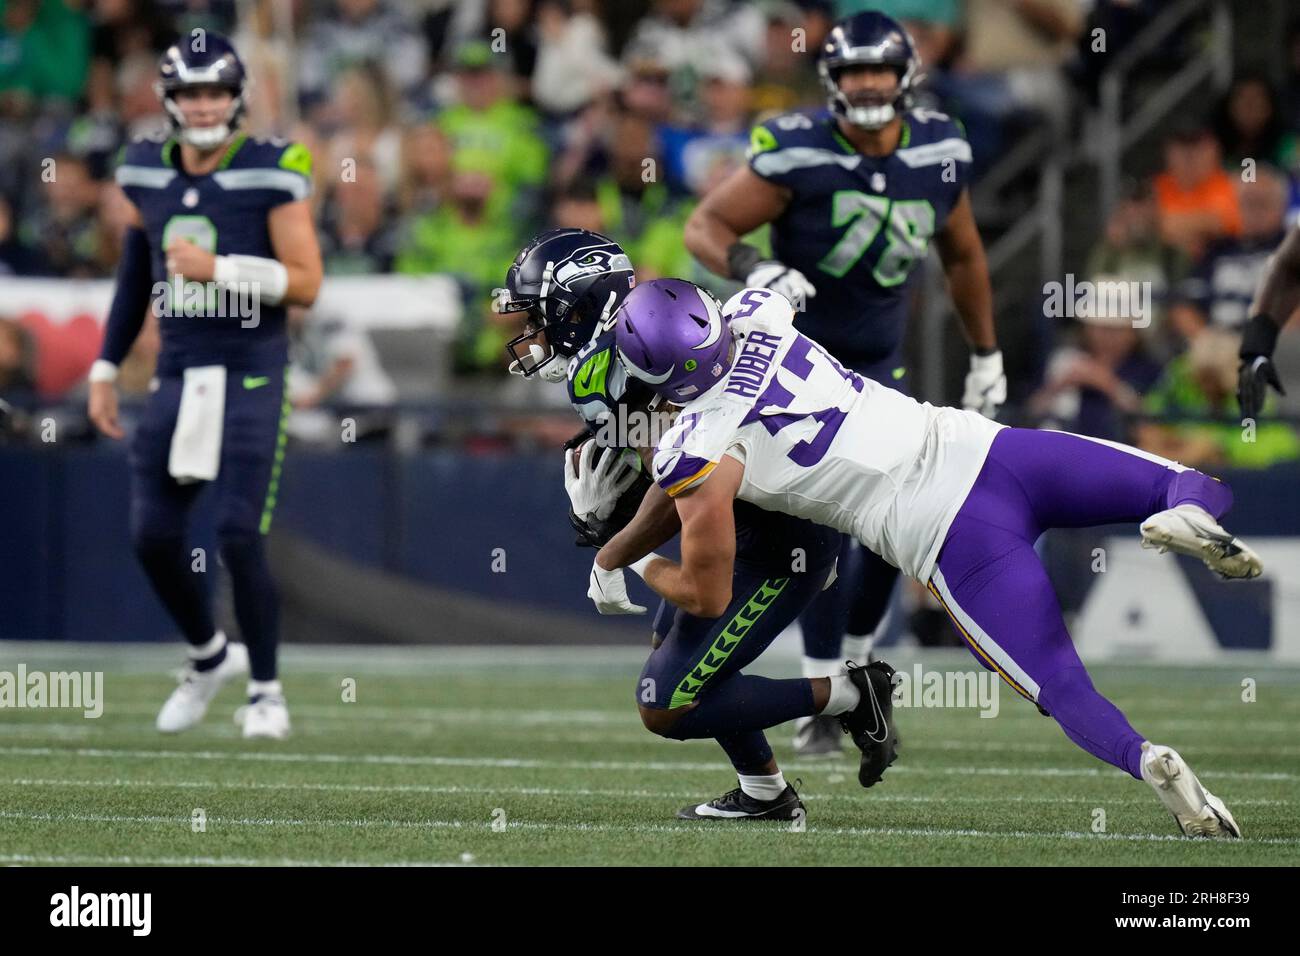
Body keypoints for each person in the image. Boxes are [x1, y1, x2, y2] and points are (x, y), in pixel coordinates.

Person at [600, 278, 1259, 839]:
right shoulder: (755, 314)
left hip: (950, 535)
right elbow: (781, 289)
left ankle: (1145, 758)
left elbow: (706, 595)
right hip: (991, 451)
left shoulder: (700, 445)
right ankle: (1184, 513)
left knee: (1061, 685)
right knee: (1186, 481)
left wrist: (627, 562)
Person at [496, 228, 899, 820]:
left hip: (780, 539)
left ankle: (850, 694)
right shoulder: (615, 359)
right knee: (671, 652)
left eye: (537, 314)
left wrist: (615, 543)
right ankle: (765, 792)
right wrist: (614, 532)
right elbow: (675, 479)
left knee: (666, 702)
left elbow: (690, 477)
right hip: (741, 522)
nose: (527, 333)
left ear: (577, 309)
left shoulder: (649, 348)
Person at [684, 10, 1002, 755]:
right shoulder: (797, 150)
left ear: (903, 79)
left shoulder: (938, 149)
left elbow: (962, 256)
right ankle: (824, 688)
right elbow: (707, 227)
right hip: (797, 371)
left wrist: (986, 353)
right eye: (853, 72)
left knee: (894, 525)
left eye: (877, 72)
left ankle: (859, 667)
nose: (866, 85)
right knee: (822, 529)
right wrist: (754, 268)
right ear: (832, 80)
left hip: (877, 366)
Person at [86, 34, 323, 739]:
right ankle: (207, 655)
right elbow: (137, 276)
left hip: (251, 367)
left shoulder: (271, 168)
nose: (204, 103)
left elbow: (308, 284)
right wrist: (104, 366)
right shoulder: (144, 169)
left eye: (215, 90)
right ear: (170, 99)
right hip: (179, 369)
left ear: (237, 96)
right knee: (152, 534)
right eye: (191, 92)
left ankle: (266, 691)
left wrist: (223, 269)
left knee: (238, 535)